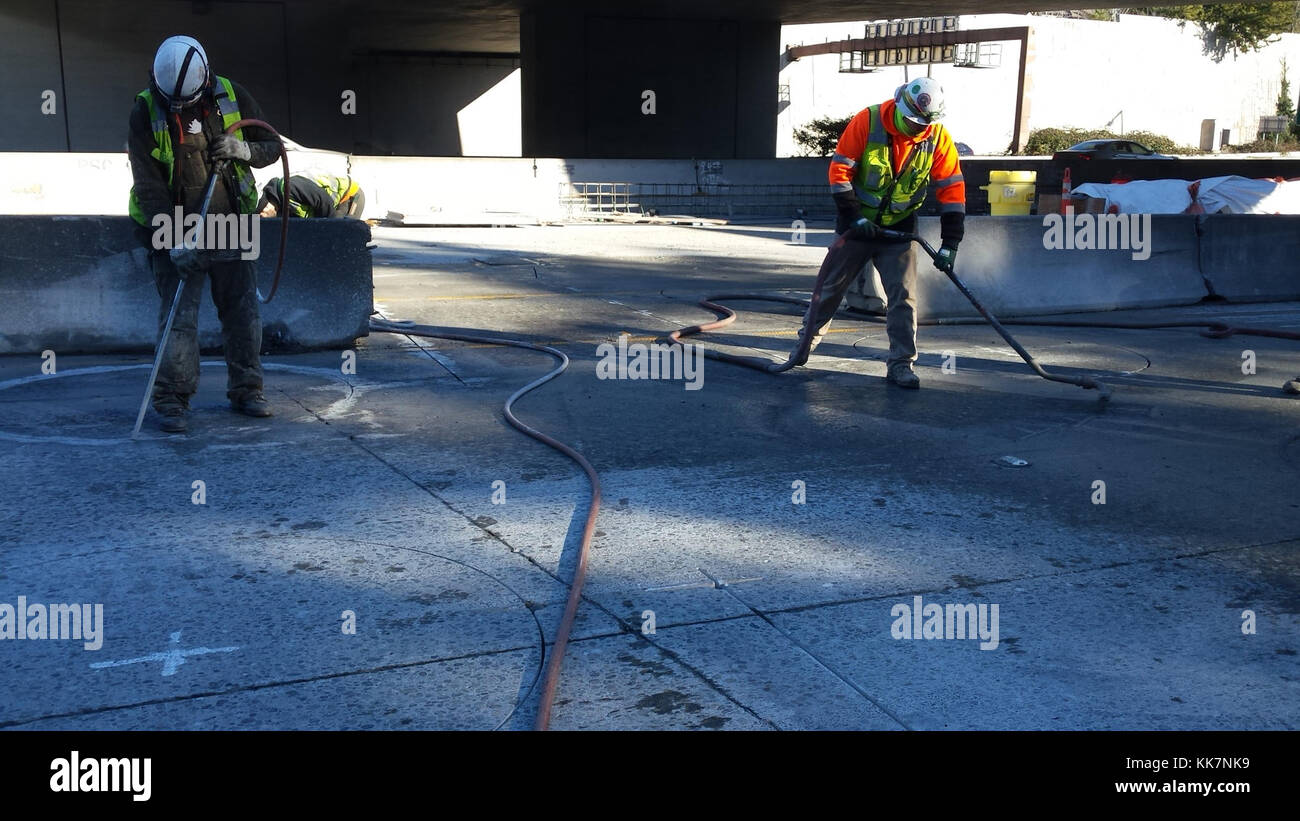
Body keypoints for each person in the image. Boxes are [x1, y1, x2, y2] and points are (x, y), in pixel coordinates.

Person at [127, 35, 282, 433]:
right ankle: (172, 401)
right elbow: (148, 186)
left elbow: (270, 146)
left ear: (205, 79)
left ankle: (247, 390)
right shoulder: (145, 110)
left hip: (232, 221)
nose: (179, 107)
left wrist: (242, 151)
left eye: (186, 101)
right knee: (179, 318)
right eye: (172, 102)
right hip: (176, 226)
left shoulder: (231, 94)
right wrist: (170, 238)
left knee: (242, 313)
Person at [800, 77, 966, 389]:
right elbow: (839, 172)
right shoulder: (868, 121)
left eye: (924, 125)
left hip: (900, 229)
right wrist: (853, 216)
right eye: (915, 123)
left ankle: (901, 364)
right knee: (831, 289)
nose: (919, 129)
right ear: (901, 108)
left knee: (903, 298)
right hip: (857, 226)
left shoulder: (937, 136)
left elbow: (952, 189)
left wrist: (950, 243)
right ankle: (804, 345)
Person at [258, 174, 365, 219]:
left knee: (341, 237)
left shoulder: (289, 187)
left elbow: (324, 201)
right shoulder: (281, 207)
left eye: (262, 213)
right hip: (335, 204)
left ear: (267, 205)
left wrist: (328, 228)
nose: (263, 216)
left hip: (350, 197)